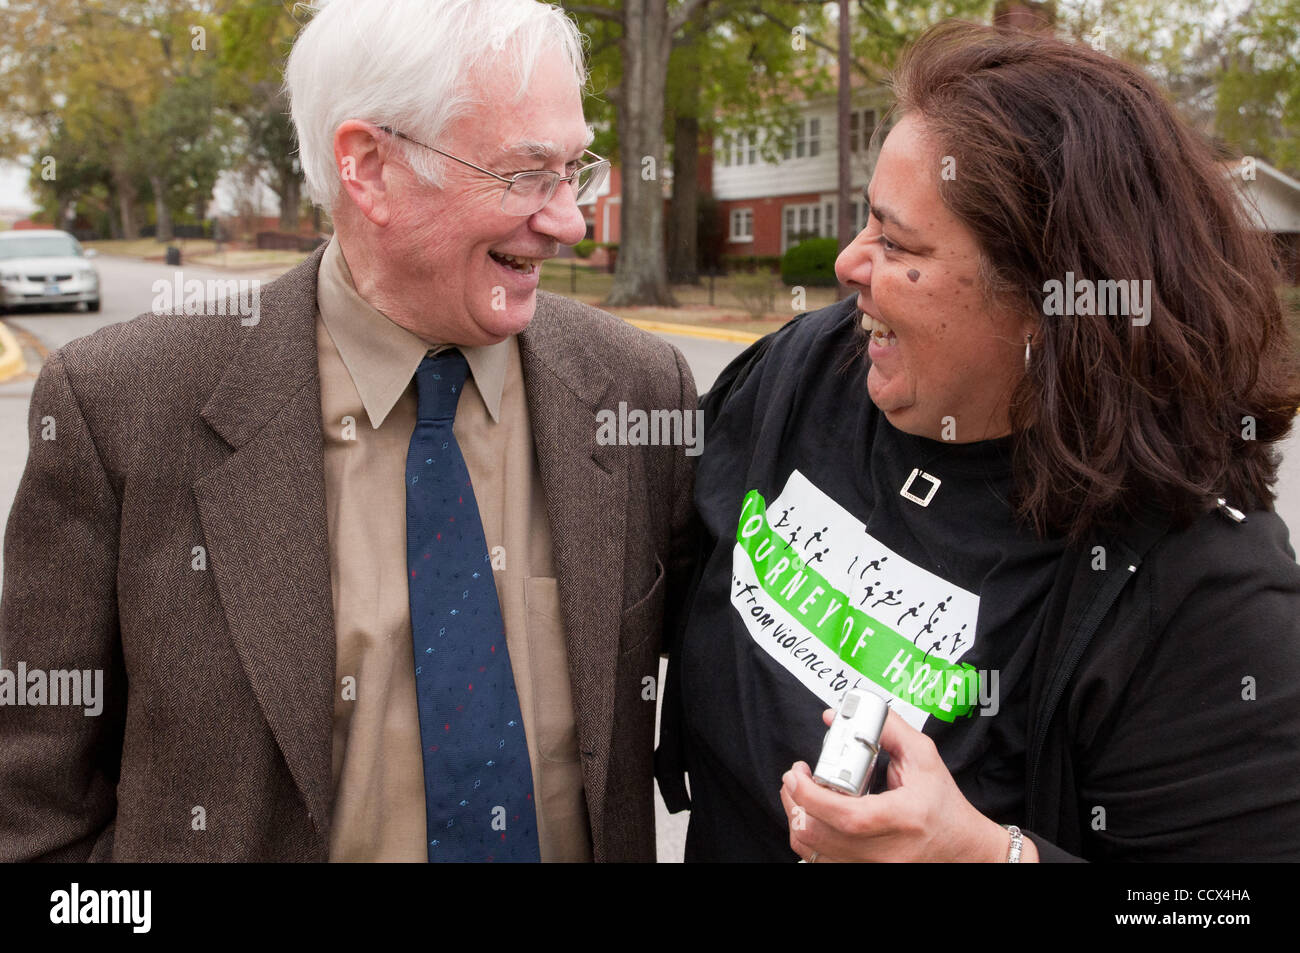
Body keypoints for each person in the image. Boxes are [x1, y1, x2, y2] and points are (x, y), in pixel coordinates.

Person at [0, 0, 695, 862]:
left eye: (572, 169)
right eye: (525, 175)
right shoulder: (121, 406)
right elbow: (33, 812)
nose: (568, 221)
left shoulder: (637, 392)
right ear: (368, 167)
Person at [655, 20, 1300, 862]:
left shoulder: (1203, 587)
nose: (850, 263)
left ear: (1046, 306)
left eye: (897, 242)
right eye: (864, 223)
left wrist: (982, 854)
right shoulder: (808, 370)